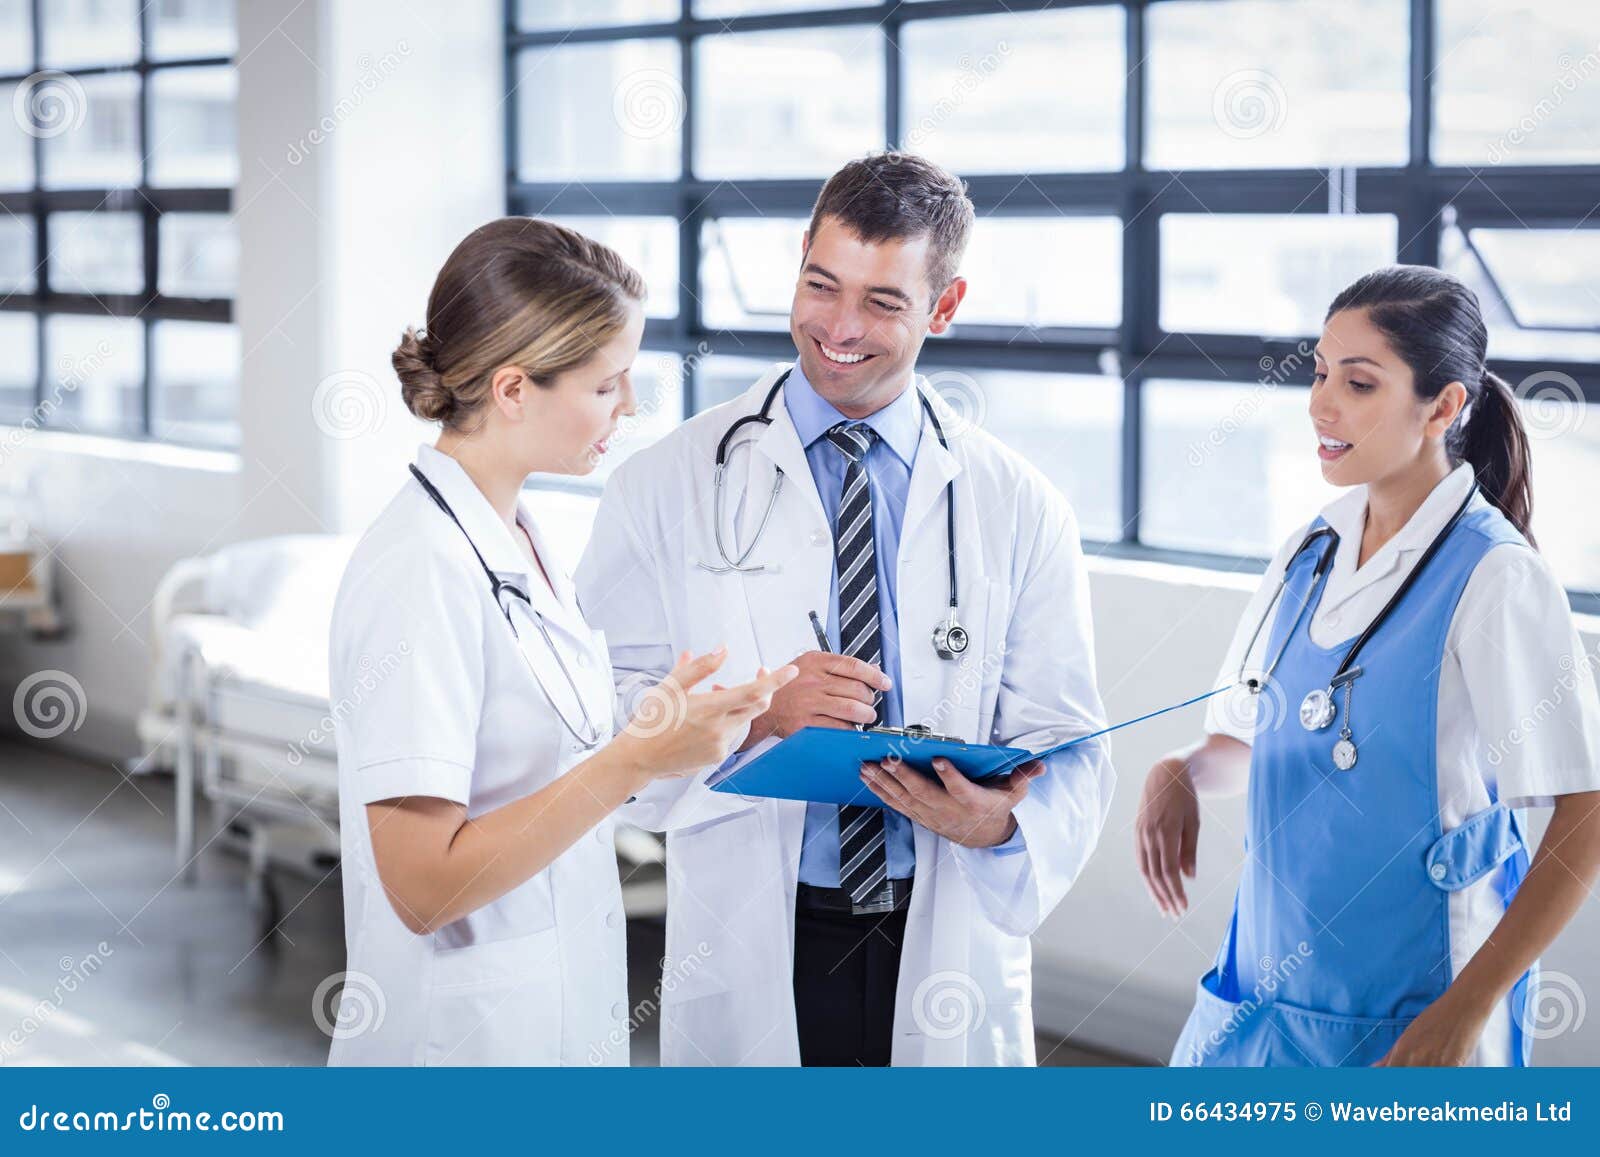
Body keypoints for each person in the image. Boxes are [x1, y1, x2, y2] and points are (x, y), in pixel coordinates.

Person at [576, 153, 1113, 1066]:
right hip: (758, 925)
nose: (839, 327)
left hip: (942, 921)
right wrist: (753, 713)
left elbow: (1067, 735)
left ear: (944, 307)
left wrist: (1000, 823)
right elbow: (599, 714)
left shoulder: (1017, 503)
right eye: (821, 285)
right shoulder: (664, 485)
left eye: (883, 302)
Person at [326, 218, 795, 1066]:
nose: (630, 407)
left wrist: (658, 726)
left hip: (545, 1021)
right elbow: (423, 885)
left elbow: (535, 764)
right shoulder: (420, 571)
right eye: (608, 384)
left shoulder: (518, 540)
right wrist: (635, 761)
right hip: (457, 1050)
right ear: (512, 389)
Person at [1137, 265, 1600, 1067]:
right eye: (1319, 372)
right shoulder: (1309, 551)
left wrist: (1469, 1005)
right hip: (1265, 999)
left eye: (1358, 383)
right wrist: (1179, 768)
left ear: (1444, 405)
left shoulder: (1493, 576)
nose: (1320, 403)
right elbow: (1260, 743)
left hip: (1413, 1011)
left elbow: (1584, 814)